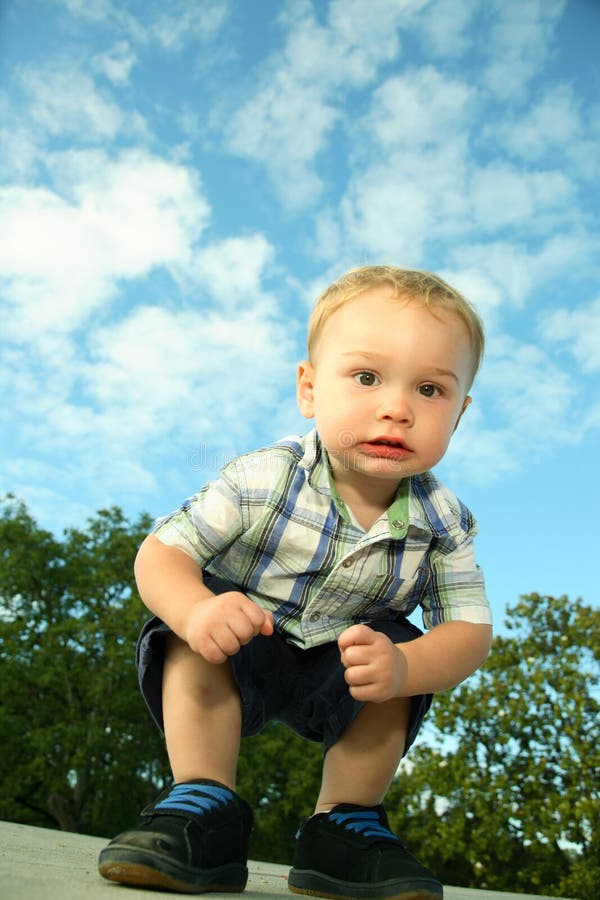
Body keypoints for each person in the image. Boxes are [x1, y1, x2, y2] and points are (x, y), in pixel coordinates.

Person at [98, 266, 493, 899]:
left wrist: (404, 666)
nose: (397, 406)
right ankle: (203, 803)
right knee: (186, 630)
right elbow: (161, 554)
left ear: (460, 413)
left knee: (400, 649)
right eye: (367, 377)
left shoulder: (443, 522)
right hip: (245, 640)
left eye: (429, 389)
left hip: (346, 666)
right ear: (310, 389)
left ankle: (341, 828)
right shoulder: (263, 478)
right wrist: (197, 608)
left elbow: (470, 633)